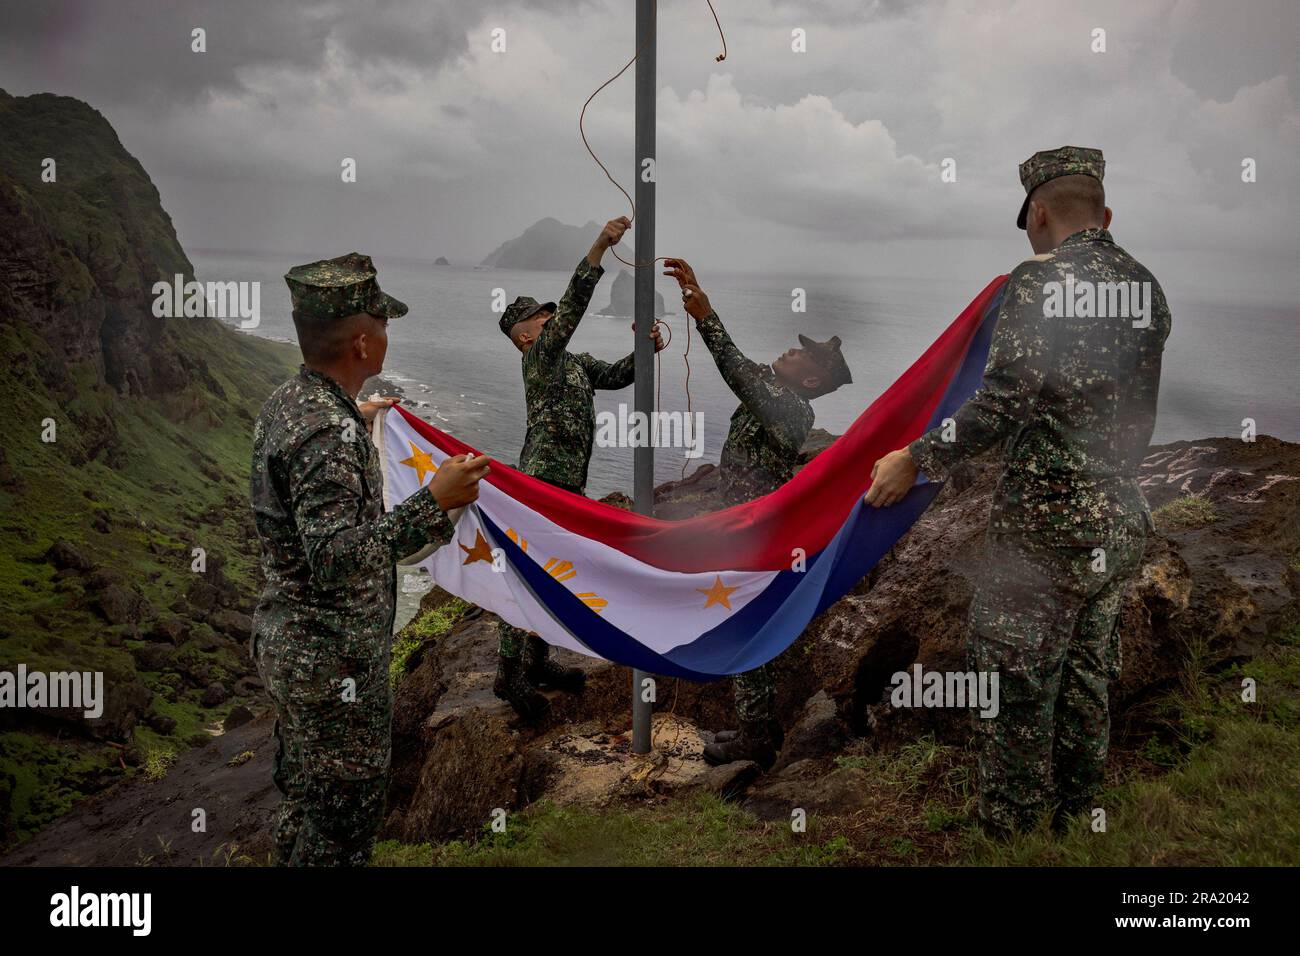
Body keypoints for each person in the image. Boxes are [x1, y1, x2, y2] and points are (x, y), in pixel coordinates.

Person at [865, 147, 1171, 834]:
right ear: (1106, 212)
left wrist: (915, 457)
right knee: (1087, 680)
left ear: (1038, 213)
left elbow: (1002, 402)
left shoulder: (1037, 282)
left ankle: (1013, 836)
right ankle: (1074, 822)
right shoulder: (1147, 287)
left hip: (1047, 530)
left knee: (1013, 684)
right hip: (1119, 518)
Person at [251, 252, 491, 865]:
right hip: (332, 672)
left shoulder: (294, 401)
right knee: (340, 833)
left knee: (305, 808)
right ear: (362, 342)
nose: (389, 333)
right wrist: (431, 502)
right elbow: (333, 556)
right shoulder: (326, 431)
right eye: (383, 323)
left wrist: (356, 422)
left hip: (294, 650)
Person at [664, 257, 852, 768]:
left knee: (746, 629)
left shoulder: (792, 407)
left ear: (811, 381)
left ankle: (756, 738)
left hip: (755, 537)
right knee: (741, 626)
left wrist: (706, 314)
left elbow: (737, 371)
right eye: (798, 345)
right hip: (739, 529)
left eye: (802, 354)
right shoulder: (778, 396)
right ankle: (756, 728)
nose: (791, 349)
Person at [493, 217, 665, 719]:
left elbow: (615, 376)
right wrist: (597, 248)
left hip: (568, 481)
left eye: (549, 318)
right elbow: (571, 310)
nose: (552, 323)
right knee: (526, 574)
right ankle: (510, 672)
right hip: (540, 479)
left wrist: (645, 349)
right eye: (543, 322)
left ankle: (538, 660)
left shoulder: (572, 362)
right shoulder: (540, 361)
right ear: (526, 339)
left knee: (551, 571)